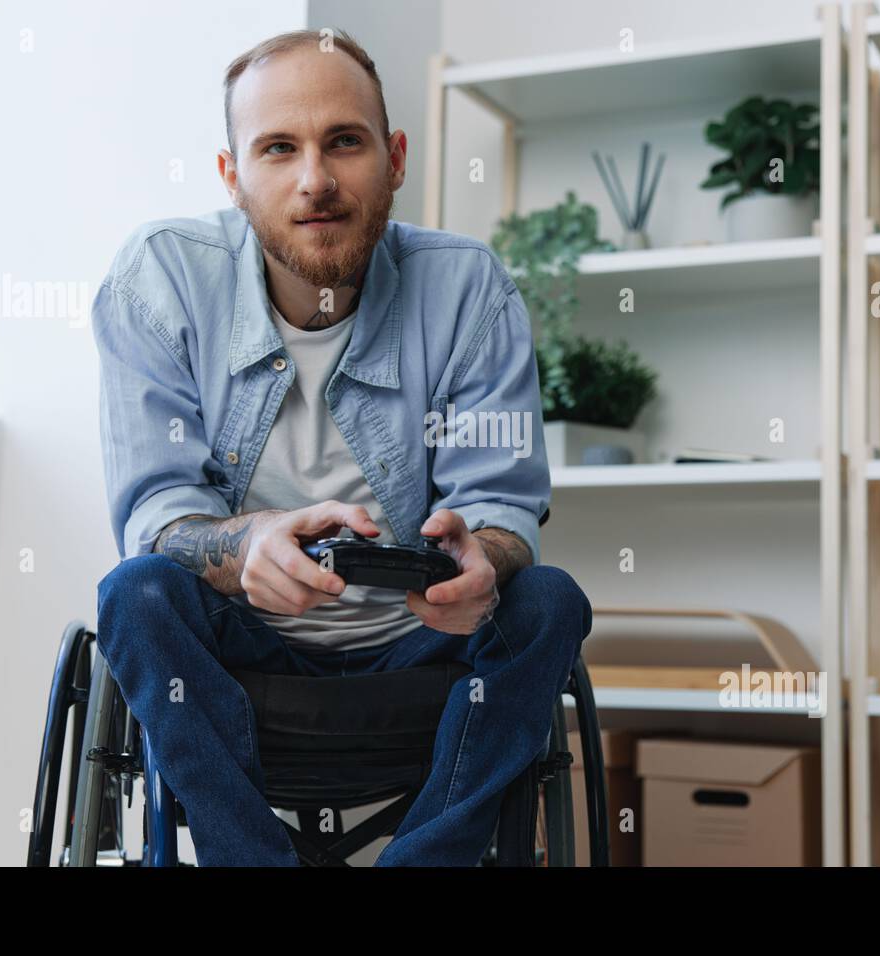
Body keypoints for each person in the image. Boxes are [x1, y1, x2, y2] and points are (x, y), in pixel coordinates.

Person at [90, 28, 592, 866]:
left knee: (547, 600)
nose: (315, 180)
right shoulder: (160, 279)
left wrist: (485, 557)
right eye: (278, 148)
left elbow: (503, 509)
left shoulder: (468, 289)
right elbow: (159, 514)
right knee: (136, 594)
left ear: (394, 158)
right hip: (237, 657)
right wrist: (247, 542)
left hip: (424, 655)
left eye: (344, 142)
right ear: (232, 175)